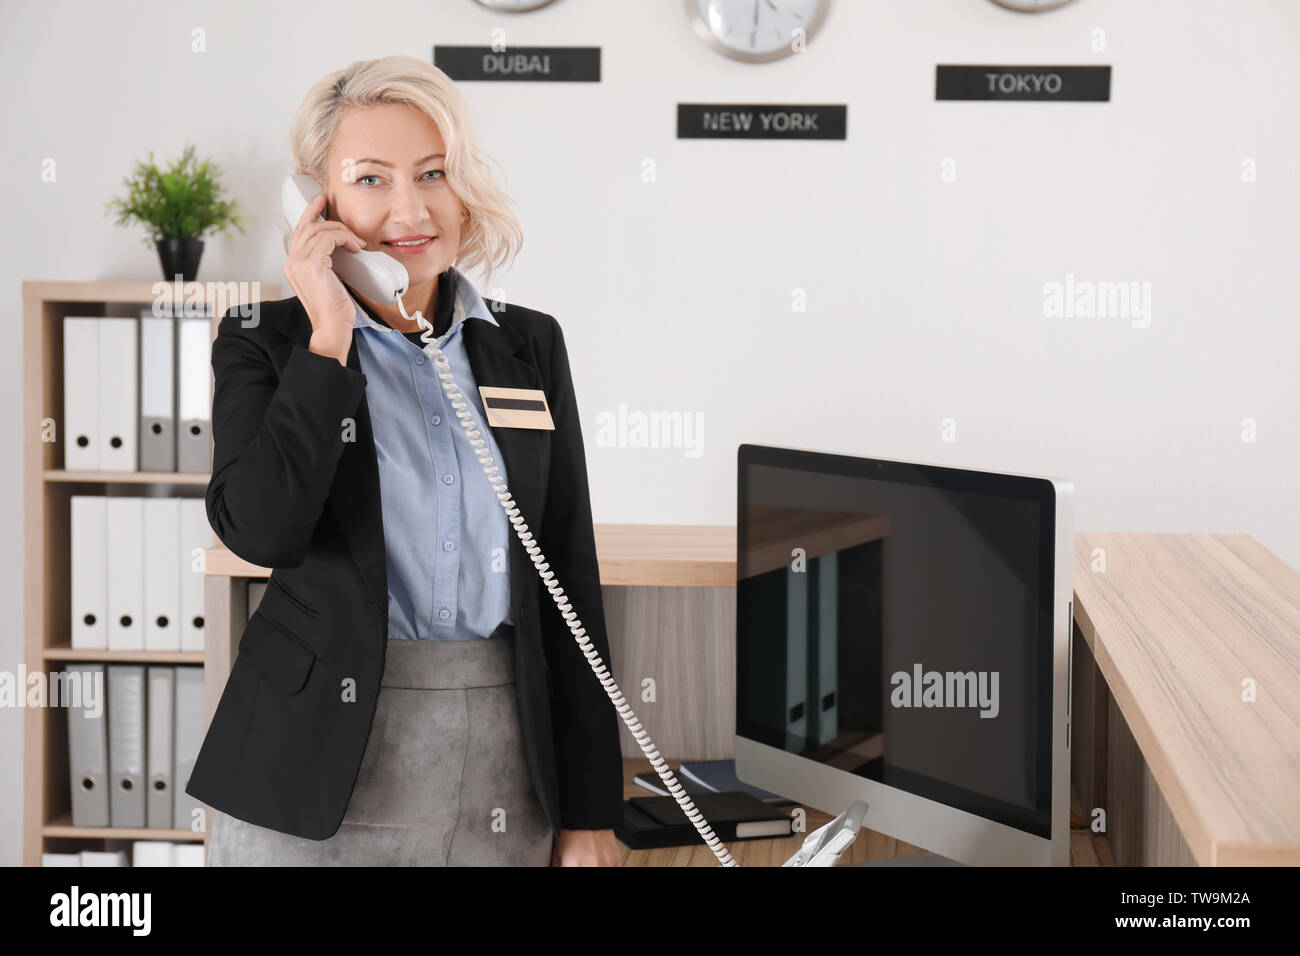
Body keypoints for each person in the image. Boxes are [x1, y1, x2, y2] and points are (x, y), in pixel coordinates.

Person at [185, 55, 623, 866]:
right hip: (310, 770)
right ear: (318, 200)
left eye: (433, 174)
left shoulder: (529, 345)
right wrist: (327, 340)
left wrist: (591, 812)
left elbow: (569, 575)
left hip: (499, 761)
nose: (411, 209)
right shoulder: (263, 340)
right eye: (372, 180)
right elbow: (263, 531)